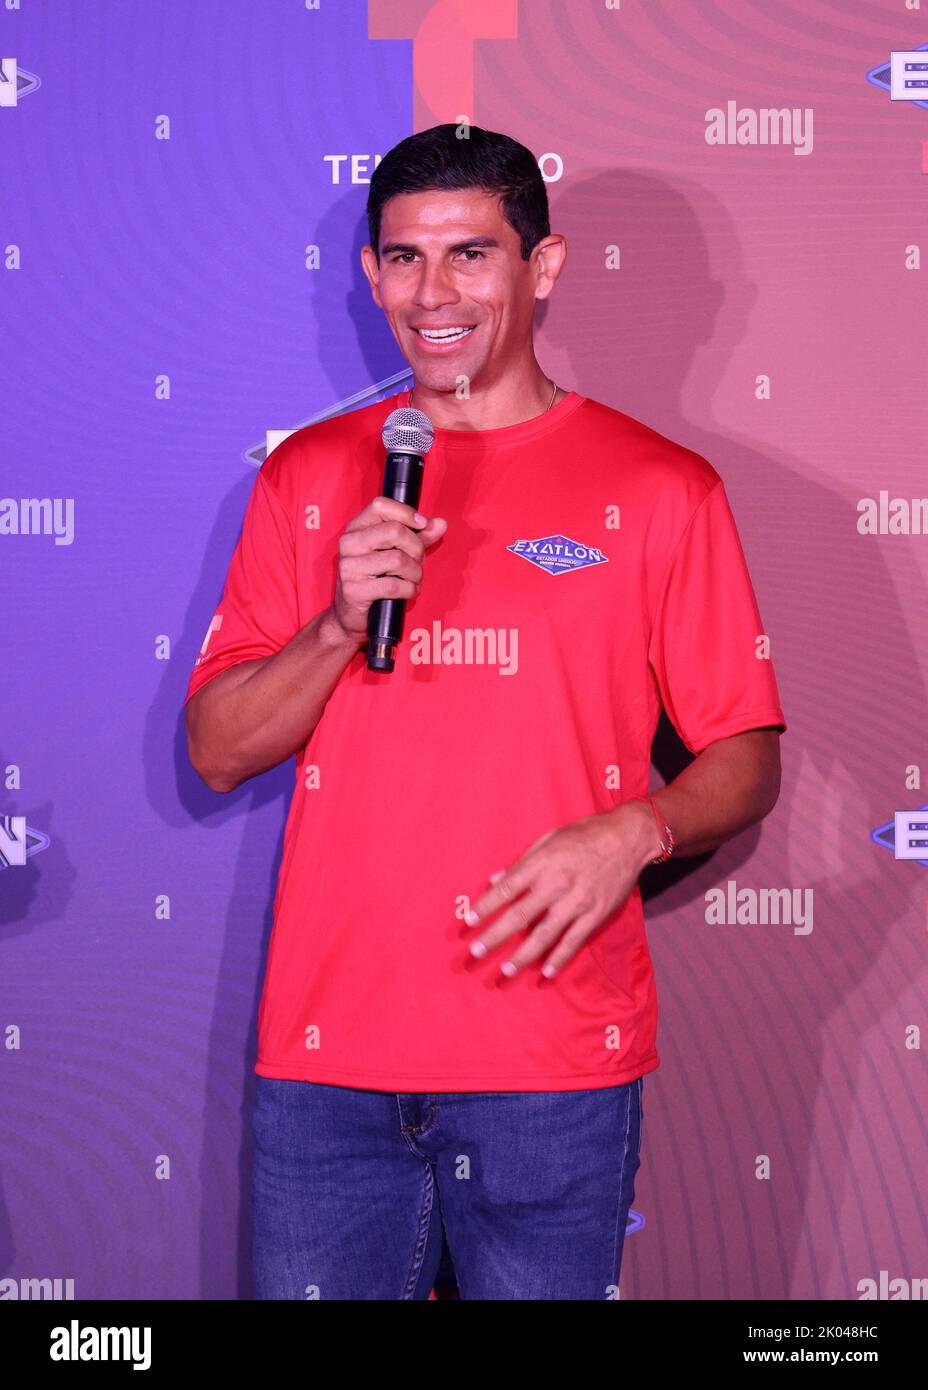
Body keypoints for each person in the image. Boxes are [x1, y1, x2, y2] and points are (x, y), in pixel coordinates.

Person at [184, 123, 787, 1301]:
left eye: (471, 254)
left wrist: (632, 831)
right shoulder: (308, 477)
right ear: (369, 277)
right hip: (327, 1066)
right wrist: (332, 624)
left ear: (542, 267)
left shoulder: (662, 488)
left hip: (548, 1061)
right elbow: (214, 750)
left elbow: (745, 754)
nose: (434, 294)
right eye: (404, 259)